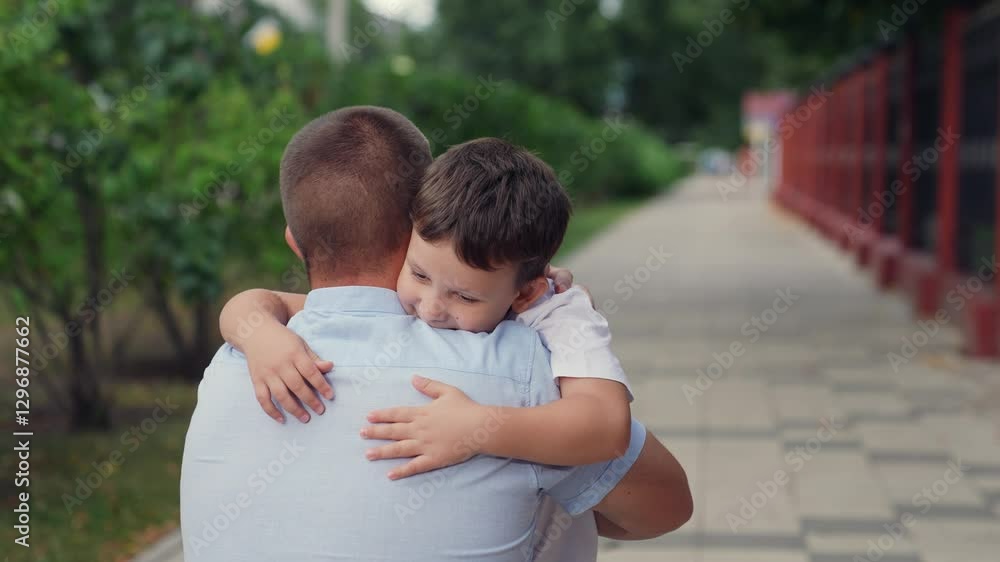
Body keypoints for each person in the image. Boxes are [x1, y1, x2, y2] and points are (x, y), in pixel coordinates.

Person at [180, 106, 692, 561]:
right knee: (554, 484)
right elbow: (665, 507)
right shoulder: (520, 366)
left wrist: (252, 327)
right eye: (421, 276)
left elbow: (278, 306)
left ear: (295, 243)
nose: (432, 308)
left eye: (464, 295)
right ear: (416, 229)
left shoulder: (233, 365)